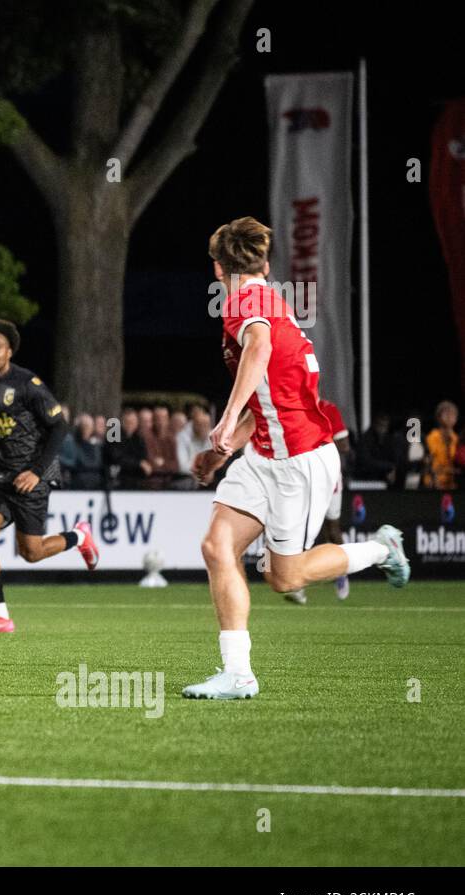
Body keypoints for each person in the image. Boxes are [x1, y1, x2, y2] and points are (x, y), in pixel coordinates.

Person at [185, 217, 408, 700]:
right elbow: (267, 395)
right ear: (265, 262)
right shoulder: (266, 298)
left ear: (217, 268)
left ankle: (381, 550)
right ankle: (238, 675)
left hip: (301, 458)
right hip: (265, 452)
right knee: (217, 547)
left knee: (283, 577)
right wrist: (223, 452)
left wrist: (223, 423)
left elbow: (259, 348)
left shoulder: (246, 299)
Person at [0, 319, 99, 634]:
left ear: (9, 351)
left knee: (31, 552)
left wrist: (36, 471)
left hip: (29, 476)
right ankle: (0, 617)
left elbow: (59, 425)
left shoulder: (28, 384)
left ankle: (78, 537)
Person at [423, 400, 460, 490]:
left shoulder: (457, 439)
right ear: (438, 417)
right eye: (446, 414)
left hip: (453, 485)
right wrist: (435, 480)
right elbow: (428, 462)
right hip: (433, 484)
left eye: (453, 414)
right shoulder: (432, 437)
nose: (449, 417)